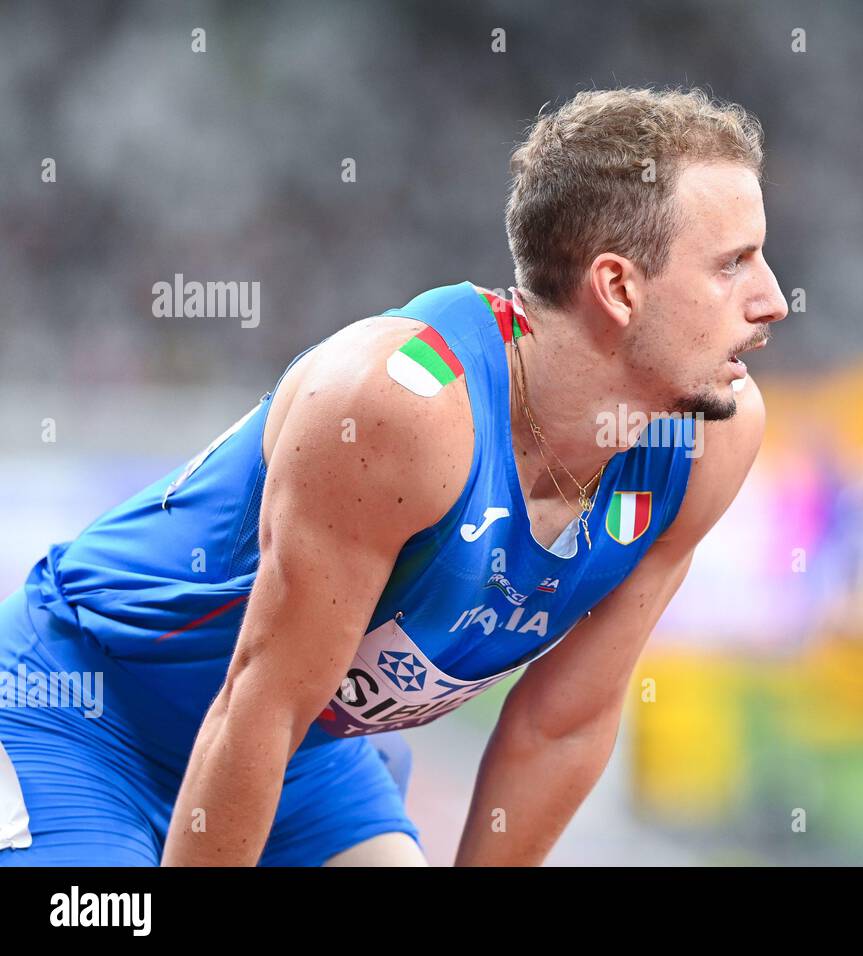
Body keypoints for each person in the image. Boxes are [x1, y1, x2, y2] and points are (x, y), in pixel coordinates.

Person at [0, 86, 788, 866]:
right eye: (733, 265)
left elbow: (563, 724)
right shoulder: (402, 407)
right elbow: (256, 708)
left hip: (302, 754)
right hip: (82, 712)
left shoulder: (712, 438)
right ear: (618, 288)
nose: (774, 301)